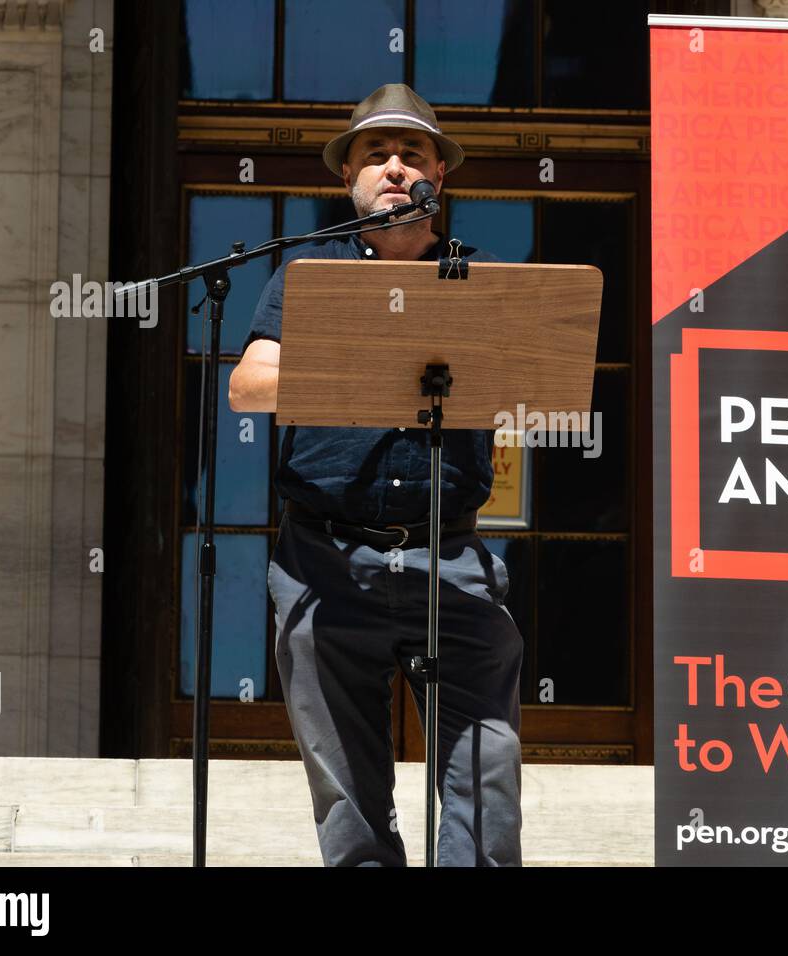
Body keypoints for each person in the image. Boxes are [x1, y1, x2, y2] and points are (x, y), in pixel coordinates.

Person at [228, 84, 524, 867]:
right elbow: (249, 386)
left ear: (439, 178)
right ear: (350, 182)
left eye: (412, 154)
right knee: (349, 796)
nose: (393, 167)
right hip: (323, 562)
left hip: (451, 559)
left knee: (484, 779)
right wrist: (377, 360)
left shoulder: (481, 279)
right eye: (374, 155)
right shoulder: (305, 275)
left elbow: (537, 385)